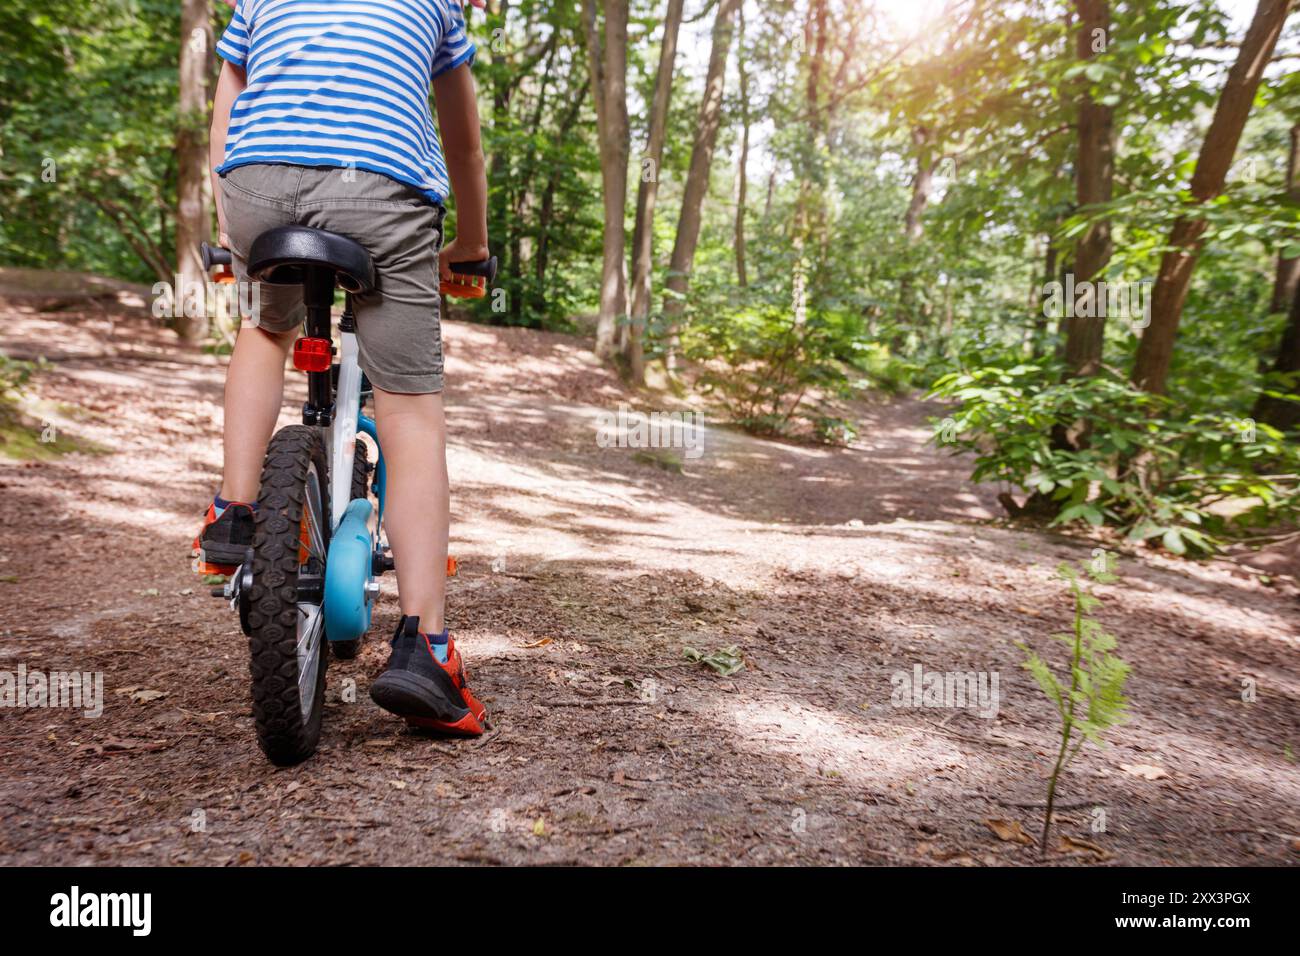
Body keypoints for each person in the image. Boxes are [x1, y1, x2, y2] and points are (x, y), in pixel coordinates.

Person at [194, 0, 489, 735]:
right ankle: (425, 648)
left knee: (267, 330)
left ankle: (235, 513)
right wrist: (470, 247)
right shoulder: (440, 5)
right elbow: (464, 143)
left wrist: (231, 215)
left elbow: (228, 94)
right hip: (380, 189)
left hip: (256, 182)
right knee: (409, 402)